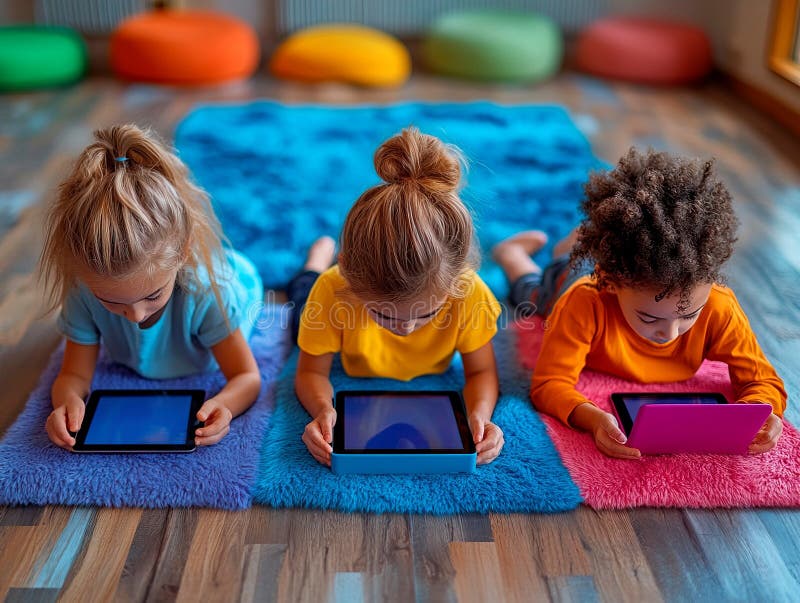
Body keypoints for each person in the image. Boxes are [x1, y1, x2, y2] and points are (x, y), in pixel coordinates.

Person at [492, 147, 786, 459]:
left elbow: (764, 381)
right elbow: (549, 384)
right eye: (649, 318)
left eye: (689, 315)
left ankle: (580, 238)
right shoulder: (583, 302)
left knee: (582, 249)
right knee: (534, 296)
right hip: (572, 277)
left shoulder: (719, 306)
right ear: (612, 284)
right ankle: (515, 254)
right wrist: (589, 418)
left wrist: (762, 413)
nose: (671, 333)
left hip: (613, 260)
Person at [288, 127, 505, 466]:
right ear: (346, 272)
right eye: (386, 315)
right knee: (300, 302)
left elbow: (481, 373)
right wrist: (322, 410)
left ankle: (319, 257)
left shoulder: (469, 291)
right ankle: (316, 261)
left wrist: (480, 415)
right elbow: (309, 373)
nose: (405, 329)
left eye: (425, 315)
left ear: (457, 279)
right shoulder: (333, 290)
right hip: (321, 294)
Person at [39, 124, 264, 449]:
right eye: (112, 302)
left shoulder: (207, 294)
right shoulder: (83, 292)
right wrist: (67, 402)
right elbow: (72, 376)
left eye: (152, 296)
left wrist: (225, 406)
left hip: (234, 282)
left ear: (183, 252)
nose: (135, 315)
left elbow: (247, 377)